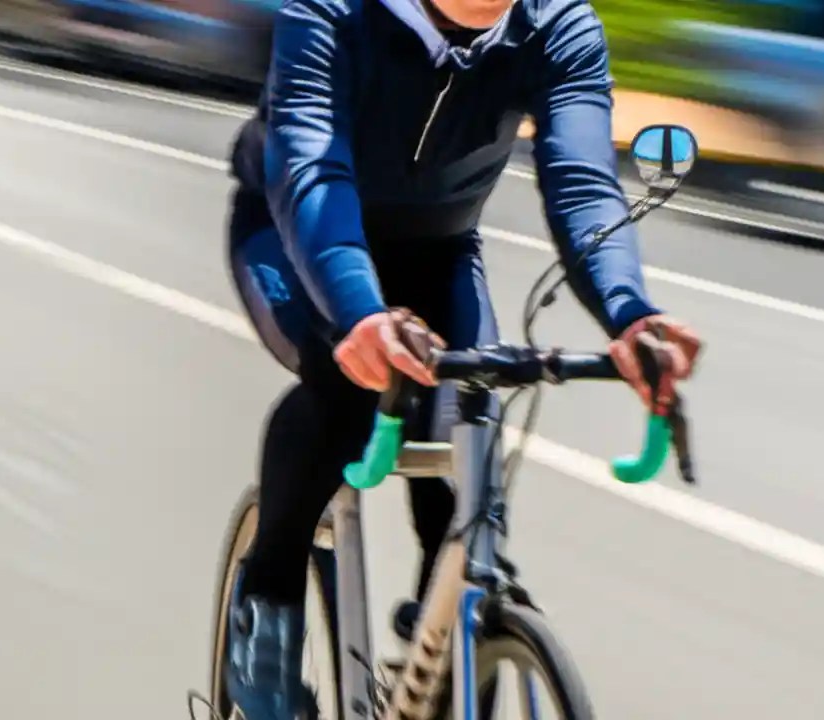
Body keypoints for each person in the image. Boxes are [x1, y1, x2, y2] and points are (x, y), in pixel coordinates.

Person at [223, 0, 702, 715]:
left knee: (468, 427)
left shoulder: (556, 24)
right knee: (346, 391)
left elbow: (582, 182)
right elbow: (312, 170)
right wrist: (359, 314)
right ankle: (265, 613)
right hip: (297, 235)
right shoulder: (333, 11)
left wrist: (631, 314)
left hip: (438, 252)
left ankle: (440, 644)